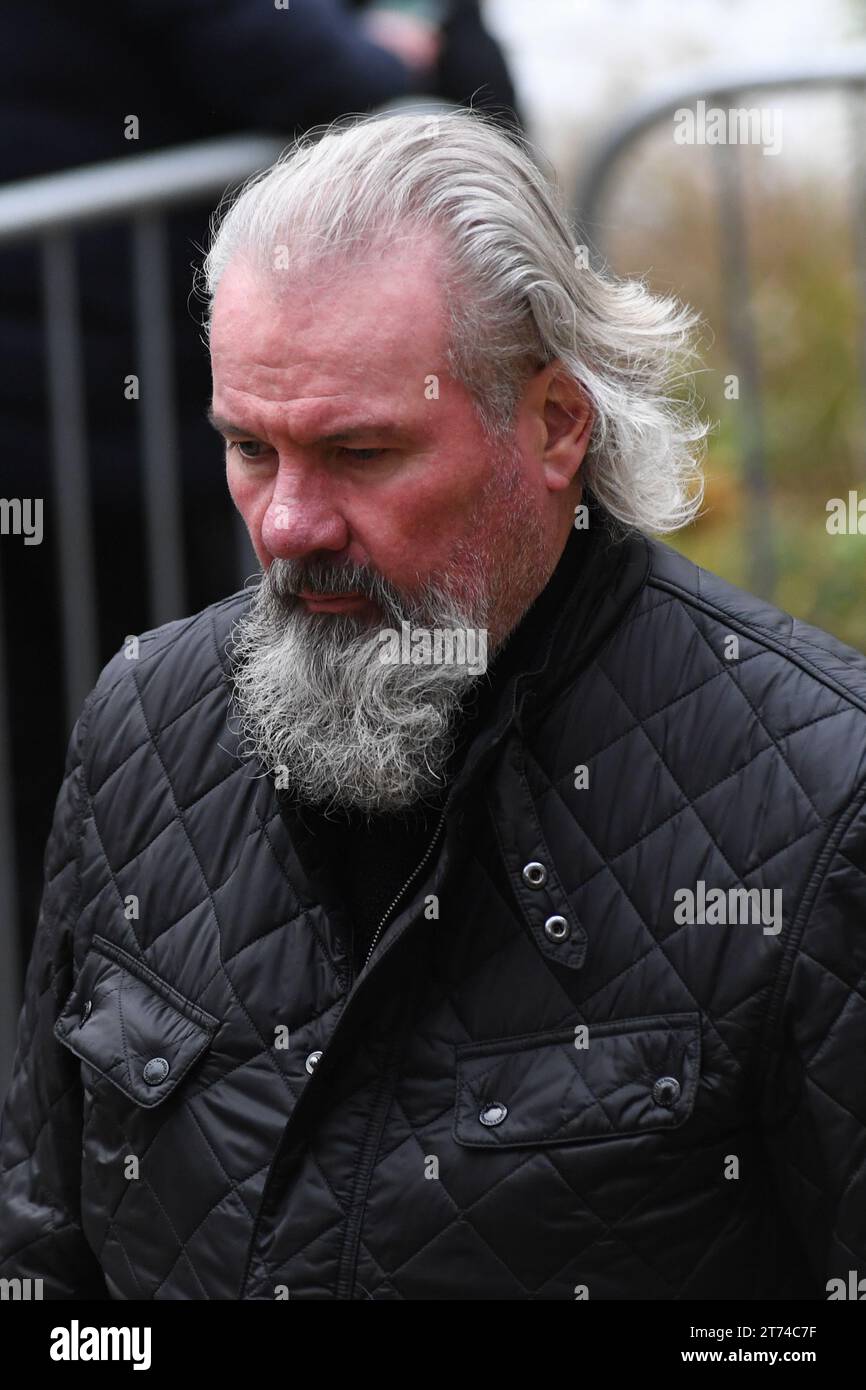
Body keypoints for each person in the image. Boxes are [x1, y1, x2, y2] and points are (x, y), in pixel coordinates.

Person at [1, 109, 864, 1301]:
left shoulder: (822, 803)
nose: (288, 527)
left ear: (556, 424)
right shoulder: (145, 719)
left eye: (359, 455)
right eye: (250, 448)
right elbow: (41, 1237)